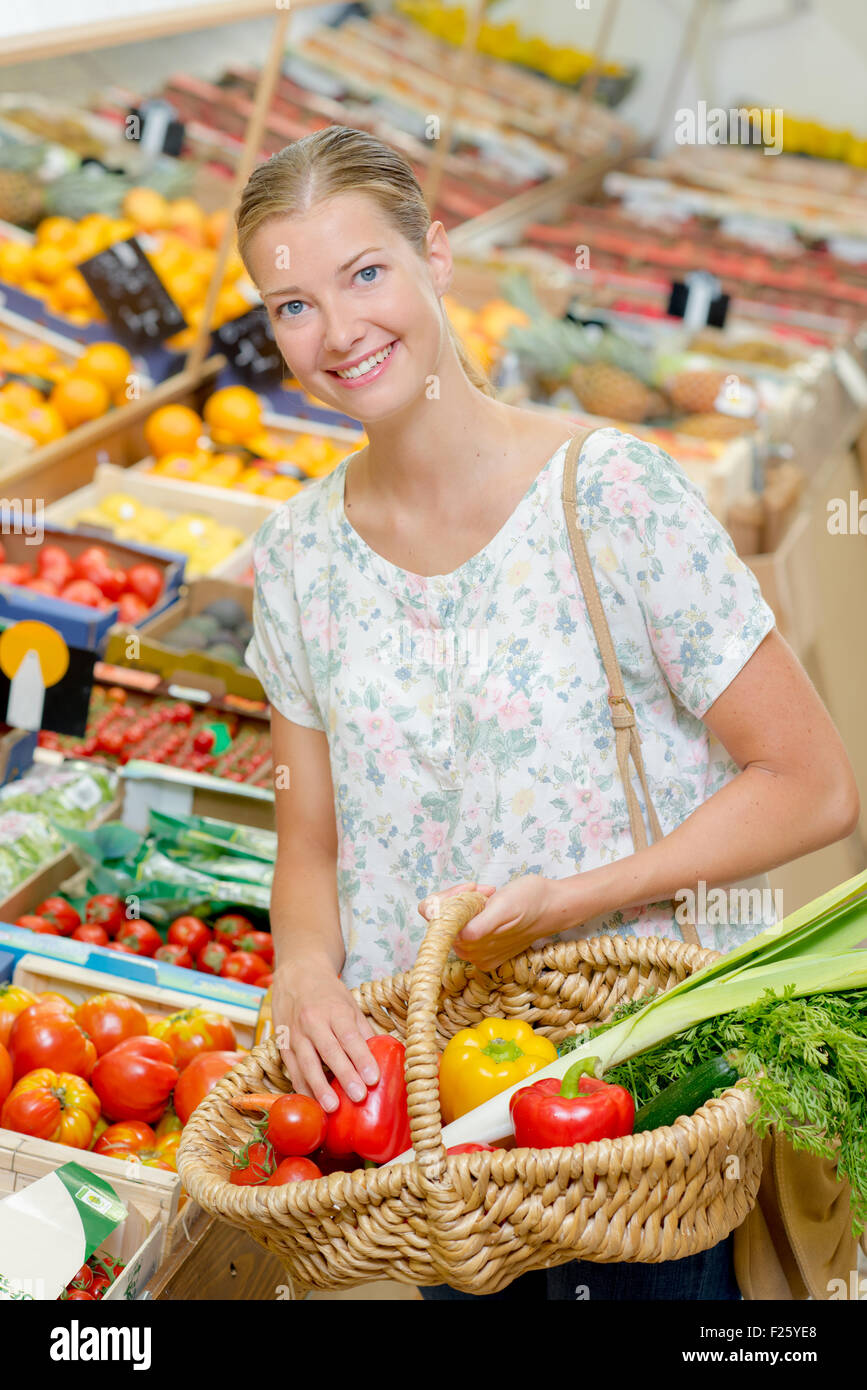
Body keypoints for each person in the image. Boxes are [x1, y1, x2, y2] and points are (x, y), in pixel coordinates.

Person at [239, 125, 860, 1300]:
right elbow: (308, 842)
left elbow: (812, 782)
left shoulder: (612, 492)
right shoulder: (295, 559)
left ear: (438, 253)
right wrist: (305, 974)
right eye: (291, 305)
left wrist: (570, 901)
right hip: (438, 1141)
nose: (337, 332)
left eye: (365, 274)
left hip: (630, 1101)